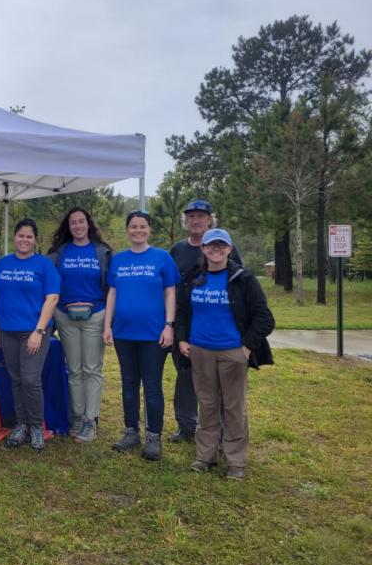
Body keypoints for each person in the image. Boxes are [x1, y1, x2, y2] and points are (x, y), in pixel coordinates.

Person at [176, 228, 274, 481]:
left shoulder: (243, 279)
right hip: (200, 350)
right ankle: (205, 455)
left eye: (222, 245)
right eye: (211, 245)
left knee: (233, 407)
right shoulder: (194, 276)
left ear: (230, 249)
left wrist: (246, 347)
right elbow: (183, 311)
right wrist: (183, 339)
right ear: (203, 249)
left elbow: (265, 319)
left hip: (232, 352)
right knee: (207, 404)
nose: (216, 249)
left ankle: (235, 460)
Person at [104, 210, 180, 461]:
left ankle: (153, 437)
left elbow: (170, 293)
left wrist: (169, 324)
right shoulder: (118, 260)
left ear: (149, 230)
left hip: (153, 334)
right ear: (127, 230)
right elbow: (112, 294)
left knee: (152, 386)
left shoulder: (162, 258)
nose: (138, 230)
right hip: (124, 332)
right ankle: (130, 432)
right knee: (128, 384)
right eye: (134, 227)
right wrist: (107, 326)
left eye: (143, 226)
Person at [168, 199, 243, 443]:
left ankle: (218, 429)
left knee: (218, 382)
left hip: (217, 325)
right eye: (191, 216)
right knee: (185, 375)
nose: (196, 220)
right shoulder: (177, 250)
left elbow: (238, 285)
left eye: (201, 216)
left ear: (210, 219)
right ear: (185, 220)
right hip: (185, 321)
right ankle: (186, 425)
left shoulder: (224, 247)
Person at [0, 219, 61, 452]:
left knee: (31, 379)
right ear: (14, 238)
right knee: (17, 378)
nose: (24, 240)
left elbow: (52, 298)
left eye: (29, 237)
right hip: (8, 330)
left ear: (35, 240)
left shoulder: (43, 265)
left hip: (34, 331)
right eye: (21, 236)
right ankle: (21, 424)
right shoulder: (3, 263)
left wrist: (39, 331)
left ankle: (36, 426)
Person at [47, 207, 112, 443]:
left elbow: (111, 287)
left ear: (88, 224)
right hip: (65, 316)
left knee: (92, 369)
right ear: (69, 226)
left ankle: (90, 419)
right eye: (73, 222)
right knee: (74, 369)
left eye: (81, 221)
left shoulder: (102, 252)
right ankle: (77, 416)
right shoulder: (58, 253)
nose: (77, 226)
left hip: (95, 315)